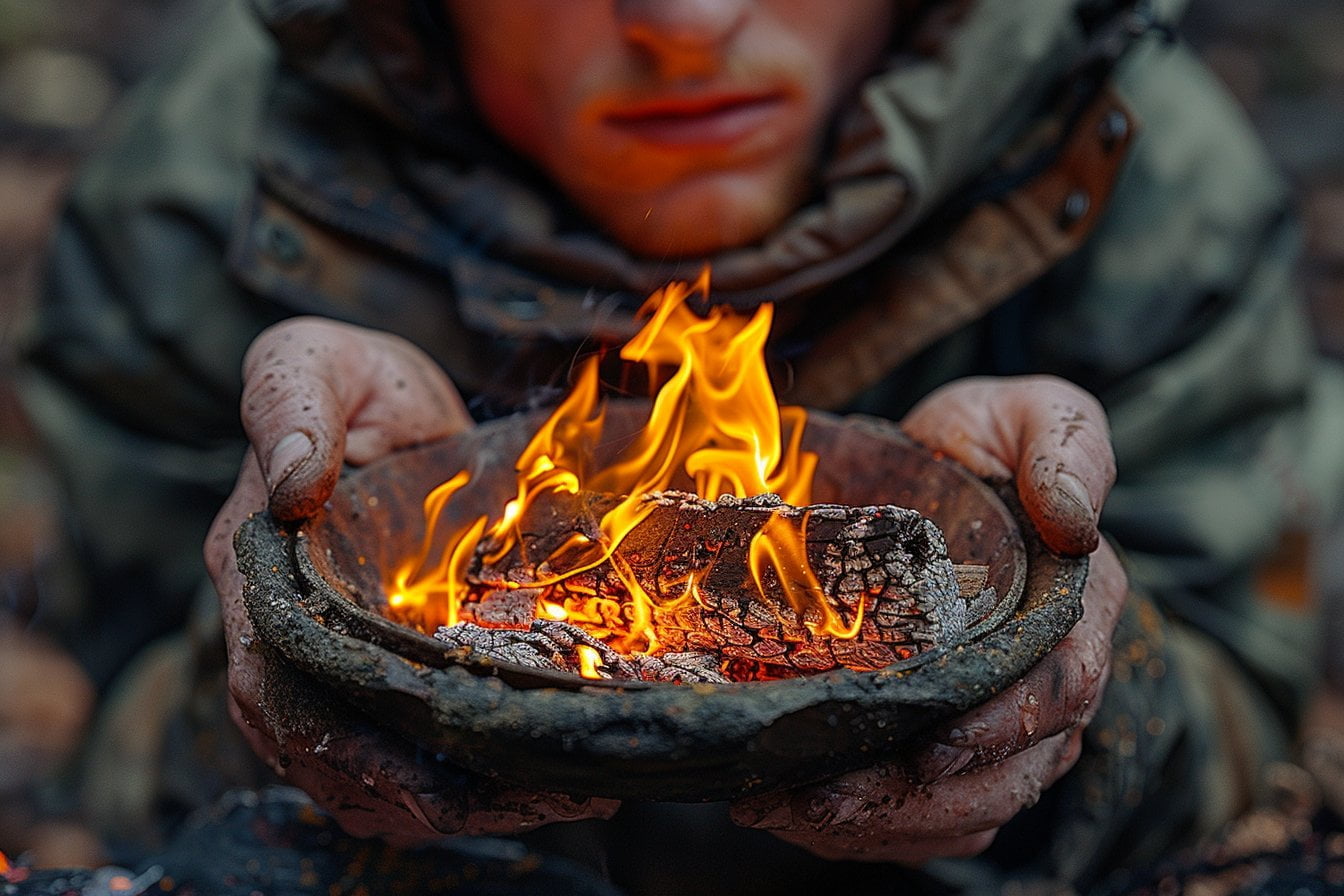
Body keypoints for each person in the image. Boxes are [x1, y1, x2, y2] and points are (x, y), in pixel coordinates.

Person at [12, 0, 1344, 891]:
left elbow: (1249, 745)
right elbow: (121, 766)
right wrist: (297, 636)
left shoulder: (1126, 168)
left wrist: (1074, 674)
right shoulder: (202, 197)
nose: (688, 22)